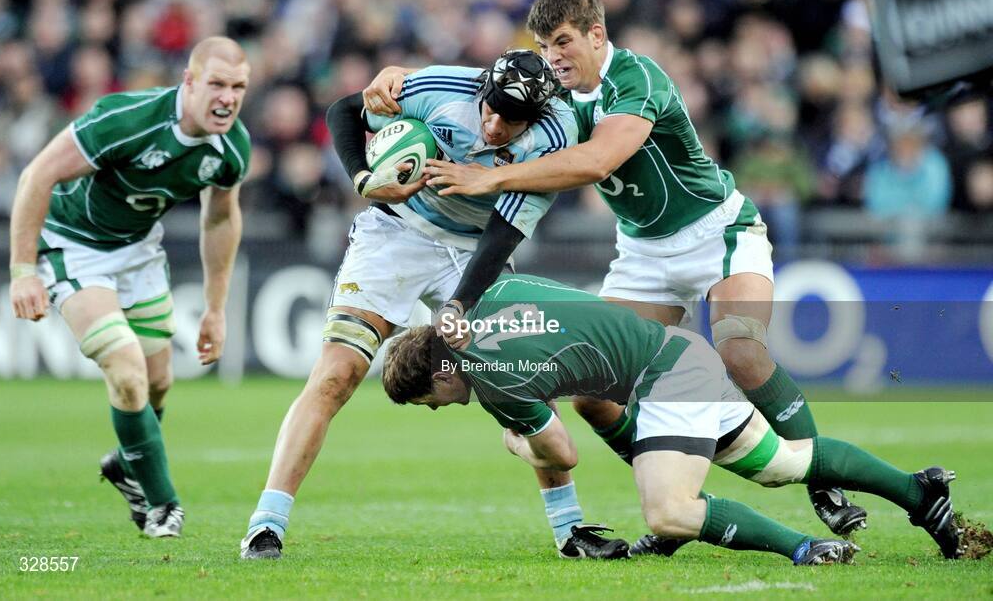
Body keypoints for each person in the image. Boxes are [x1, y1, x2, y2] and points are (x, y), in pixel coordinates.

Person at [362, 0, 867, 550]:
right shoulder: (552, 97)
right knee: (597, 390)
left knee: (739, 349)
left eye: (563, 42)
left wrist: (493, 177)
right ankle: (672, 503)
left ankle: (823, 484)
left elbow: (599, 159)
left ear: (596, 36)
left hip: (713, 232)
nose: (553, 57)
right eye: (544, 46)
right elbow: (491, 85)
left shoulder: (636, 79)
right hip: (644, 250)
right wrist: (401, 77)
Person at [240, 50, 628, 561]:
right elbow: (343, 111)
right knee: (336, 373)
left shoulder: (554, 138)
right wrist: (362, 178)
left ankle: (570, 531)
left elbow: (503, 232)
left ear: (534, 117)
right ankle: (265, 525)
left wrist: (461, 303)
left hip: (475, 246)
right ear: (480, 90)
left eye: (510, 121)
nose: (493, 125)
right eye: (489, 109)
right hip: (395, 232)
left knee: (520, 380)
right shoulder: (441, 87)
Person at [382, 273, 966, 564]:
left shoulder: (490, 382)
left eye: (425, 402)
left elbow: (561, 454)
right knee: (783, 465)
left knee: (668, 512)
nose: (436, 410)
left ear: (437, 376)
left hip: (666, 379)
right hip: (674, 353)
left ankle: (806, 549)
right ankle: (920, 493)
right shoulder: (490, 292)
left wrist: (516, 442)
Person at [8, 36, 252, 537]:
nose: (228, 98)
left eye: (239, 87)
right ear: (188, 81)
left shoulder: (231, 148)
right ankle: (163, 505)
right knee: (126, 371)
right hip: (73, 244)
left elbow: (220, 219)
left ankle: (126, 464)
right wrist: (22, 270)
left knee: (158, 382)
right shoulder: (127, 118)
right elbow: (37, 175)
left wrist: (216, 307)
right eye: (217, 84)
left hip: (138, 253)